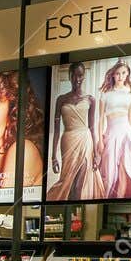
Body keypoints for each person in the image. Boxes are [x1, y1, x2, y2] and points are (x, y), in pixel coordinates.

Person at [95, 61, 131, 199]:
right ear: (113, 75)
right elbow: (101, 119)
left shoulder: (130, 93)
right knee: (110, 171)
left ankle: (120, 197)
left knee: (124, 169)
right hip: (112, 134)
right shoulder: (106, 94)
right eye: (118, 73)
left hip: (127, 134)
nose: (121, 76)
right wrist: (100, 140)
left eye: (124, 73)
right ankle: (110, 197)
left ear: (127, 74)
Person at [48, 61, 103, 201]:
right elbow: (56, 130)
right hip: (68, 140)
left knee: (81, 181)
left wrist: (96, 153)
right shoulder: (61, 99)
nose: (77, 79)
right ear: (69, 76)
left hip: (85, 140)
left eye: (80, 75)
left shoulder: (91, 99)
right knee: (68, 181)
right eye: (74, 75)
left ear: (83, 76)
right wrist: (53, 157)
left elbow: (92, 127)